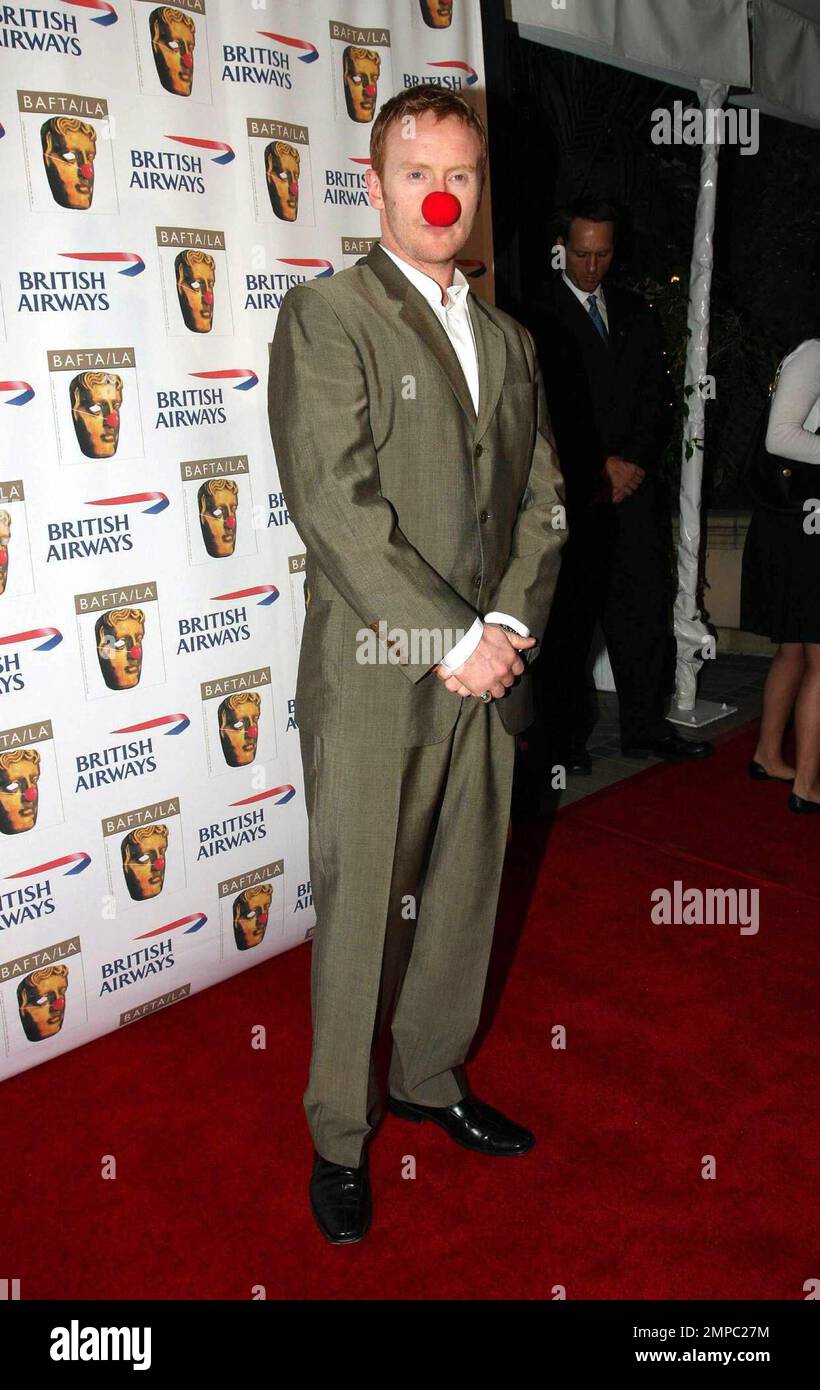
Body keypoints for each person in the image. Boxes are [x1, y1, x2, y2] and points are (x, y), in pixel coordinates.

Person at [268, 86, 567, 1244]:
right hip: (376, 671)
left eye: (461, 175)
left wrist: (507, 629)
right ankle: (340, 1136)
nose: (442, 197)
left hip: (488, 672)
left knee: (461, 891)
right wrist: (452, 638)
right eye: (417, 173)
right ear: (376, 184)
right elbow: (336, 509)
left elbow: (542, 502)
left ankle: (429, 1077)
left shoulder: (512, 340)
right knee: (362, 914)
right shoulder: (328, 315)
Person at [527, 198, 712, 775]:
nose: (591, 266)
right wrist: (596, 467)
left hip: (632, 495)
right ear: (562, 247)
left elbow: (658, 398)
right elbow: (541, 408)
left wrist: (632, 463)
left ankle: (646, 727)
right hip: (572, 497)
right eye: (582, 254)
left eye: (602, 255)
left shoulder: (634, 311)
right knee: (569, 623)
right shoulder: (537, 312)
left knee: (643, 613)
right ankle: (564, 743)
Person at [740, 333, 820, 812]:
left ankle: (768, 755)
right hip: (803, 527)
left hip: (797, 527)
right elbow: (780, 437)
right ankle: (807, 785)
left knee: (793, 649)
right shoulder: (815, 353)